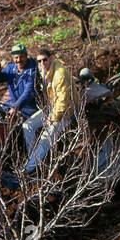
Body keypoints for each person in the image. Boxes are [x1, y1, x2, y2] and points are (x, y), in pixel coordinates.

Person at [23, 47, 75, 175]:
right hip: (51, 107)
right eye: (38, 61)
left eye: (44, 60)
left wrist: (51, 118)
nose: (41, 64)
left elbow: (63, 103)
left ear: (51, 58)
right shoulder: (45, 70)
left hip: (64, 112)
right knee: (27, 126)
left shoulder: (60, 75)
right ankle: (34, 158)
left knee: (45, 139)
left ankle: (27, 170)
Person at [0, 44, 38, 123]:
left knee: (23, 126)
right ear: (13, 58)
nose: (19, 60)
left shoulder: (32, 72)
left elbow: (28, 93)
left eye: (21, 57)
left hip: (28, 107)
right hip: (13, 102)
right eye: (16, 57)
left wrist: (15, 107)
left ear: (26, 56)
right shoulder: (11, 68)